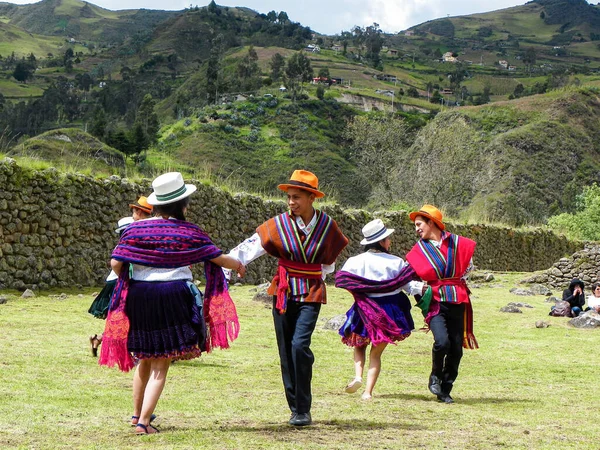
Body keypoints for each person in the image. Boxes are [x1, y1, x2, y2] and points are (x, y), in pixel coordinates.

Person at [99, 172, 245, 435]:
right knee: (160, 364)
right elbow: (217, 258)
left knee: (144, 357)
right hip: (173, 295)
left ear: (155, 203)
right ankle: (144, 423)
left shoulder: (135, 229)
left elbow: (116, 263)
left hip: (140, 296)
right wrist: (237, 264)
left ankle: (136, 416)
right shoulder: (190, 231)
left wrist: (137, 277)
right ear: (182, 204)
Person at [227, 170, 348, 426]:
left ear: (311, 197)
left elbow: (329, 263)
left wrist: (312, 271)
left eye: (296, 197)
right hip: (284, 291)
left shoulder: (327, 226)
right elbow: (252, 246)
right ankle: (297, 409)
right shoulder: (279, 224)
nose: (291, 202)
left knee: (299, 346)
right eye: (289, 198)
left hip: (312, 291)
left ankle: (304, 405)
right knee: (286, 349)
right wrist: (228, 264)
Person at [335, 219, 425, 401]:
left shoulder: (354, 262)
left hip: (363, 309)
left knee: (359, 345)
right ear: (381, 241)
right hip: (389, 312)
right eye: (388, 239)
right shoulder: (396, 262)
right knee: (376, 353)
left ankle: (358, 376)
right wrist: (424, 288)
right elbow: (408, 286)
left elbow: (343, 280)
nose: (390, 242)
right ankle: (367, 392)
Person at [405, 204, 478, 404]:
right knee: (442, 342)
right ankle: (435, 376)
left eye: (419, 224)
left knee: (456, 348)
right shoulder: (418, 251)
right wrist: (420, 289)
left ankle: (446, 388)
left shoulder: (457, 243)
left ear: (432, 223)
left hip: (458, 299)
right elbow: (407, 279)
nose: (417, 228)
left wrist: (458, 278)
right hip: (435, 302)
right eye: (415, 225)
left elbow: (468, 267)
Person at [88, 216, 135, 356]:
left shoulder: (124, 246)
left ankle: (98, 339)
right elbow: (117, 266)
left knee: (123, 318)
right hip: (119, 284)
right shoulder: (125, 247)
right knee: (124, 318)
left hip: (117, 283)